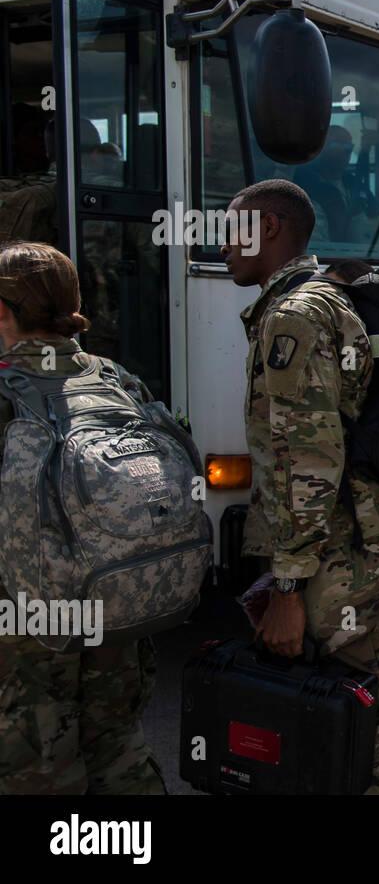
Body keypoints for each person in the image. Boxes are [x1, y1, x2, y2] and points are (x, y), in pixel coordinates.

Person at [221, 179, 379, 794]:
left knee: (365, 724)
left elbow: (311, 457)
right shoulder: (323, 298)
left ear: (268, 228)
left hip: (332, 557)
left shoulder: (294, 314)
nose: (220, 245)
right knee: (356, 714)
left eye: (230, 227)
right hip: (350, 541)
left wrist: (290, 588)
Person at [0, 241, 165, 794]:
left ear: (4, 312)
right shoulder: (116, 379)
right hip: (113, 594)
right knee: (117, 741)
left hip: (28, 620)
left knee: (39, 757)